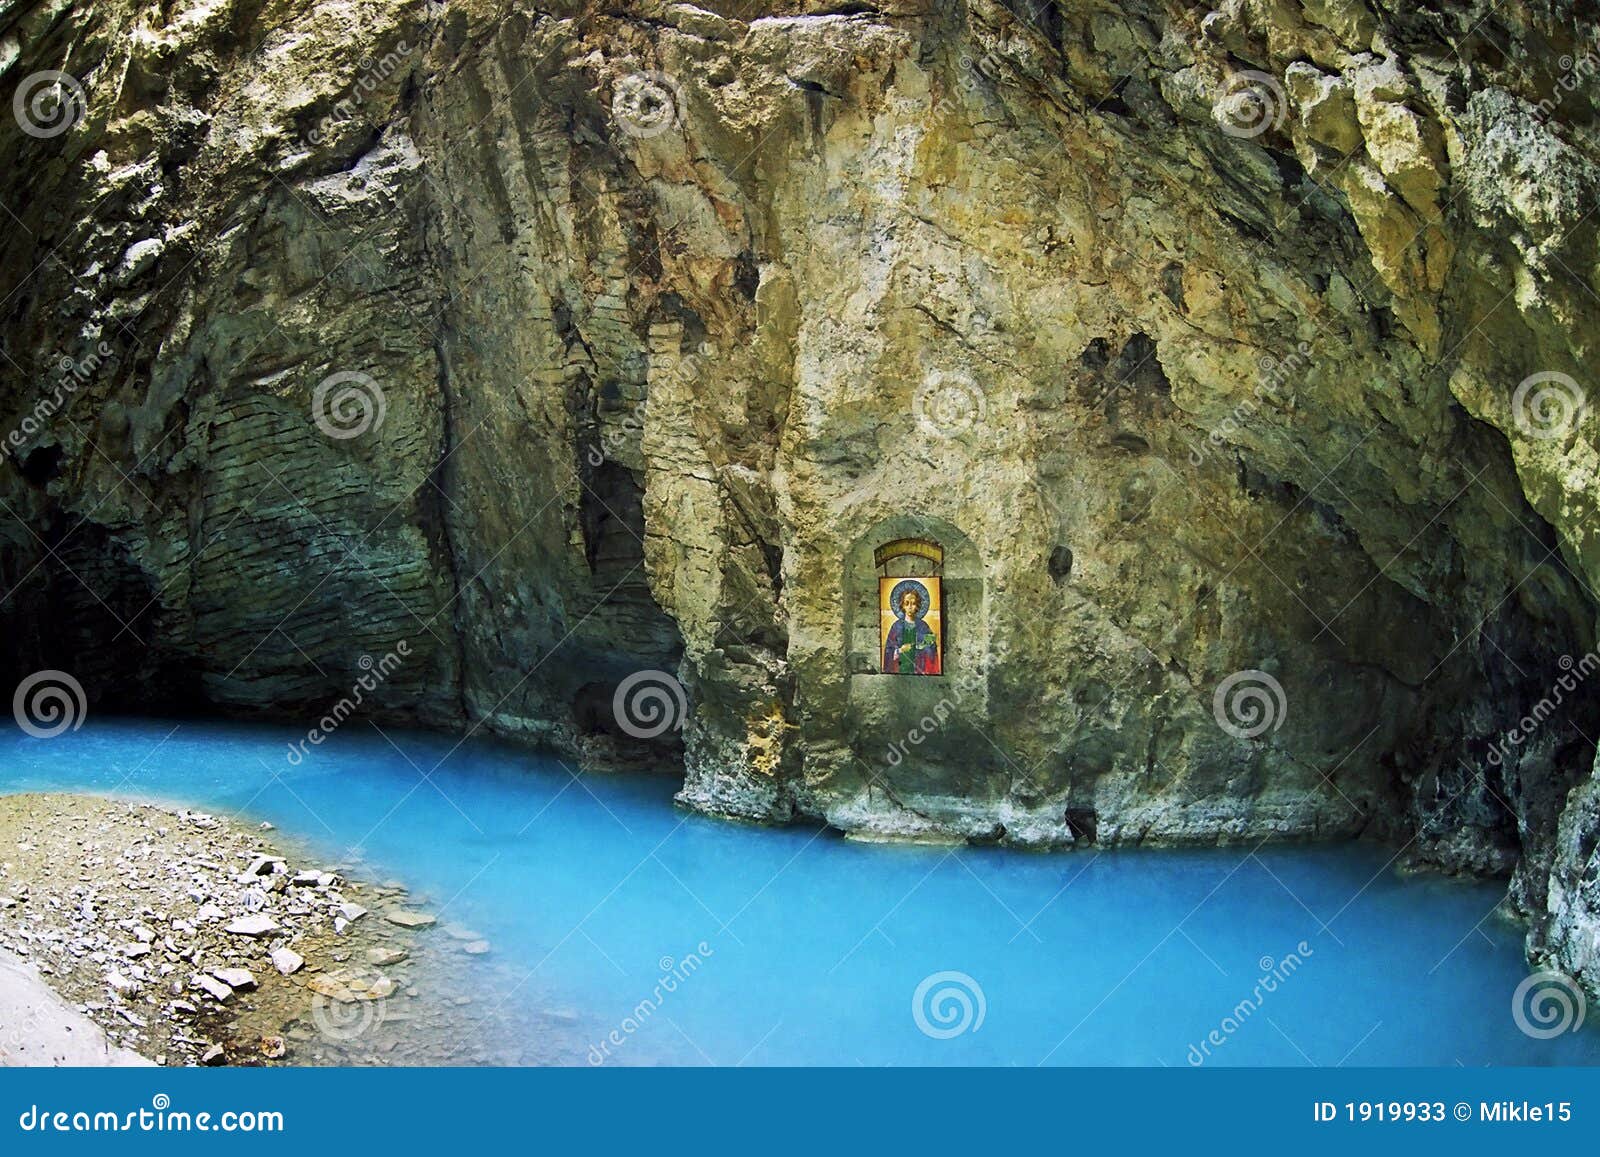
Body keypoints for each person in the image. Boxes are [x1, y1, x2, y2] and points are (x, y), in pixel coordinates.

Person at [883, 583, 940, 674]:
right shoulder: (896, 626)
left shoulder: (923, 626)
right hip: (900, 669)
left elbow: (931, 649)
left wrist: (922, 647)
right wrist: (900, 650)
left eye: (913, 604)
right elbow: (888, 651)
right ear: (902, 605)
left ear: (917, 606)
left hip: (919, 669)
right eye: (907, 603)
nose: (910, 607)